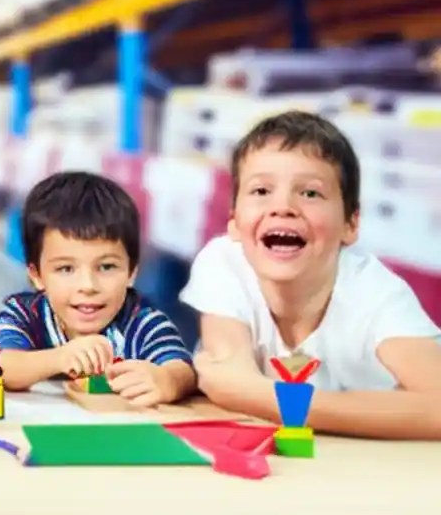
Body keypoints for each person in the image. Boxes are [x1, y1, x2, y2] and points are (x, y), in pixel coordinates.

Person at [181, 110, 441, 439]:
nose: (283, 206)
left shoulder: (376, 293)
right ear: (234, 220)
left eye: (310, 193)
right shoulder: (224, 262)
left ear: (351, 224)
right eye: (261, 191)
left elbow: (238, 390)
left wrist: (289, 404)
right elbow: (227, 374)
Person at [0, 172, 195, 407]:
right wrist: (60, 358)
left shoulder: (142, 322)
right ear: (37, 275)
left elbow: (183, 370)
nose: (88, 286)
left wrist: (167, 380)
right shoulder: (24, 313)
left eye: (106, 267)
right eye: (66, 269)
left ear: (132, 272)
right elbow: (3, 367)